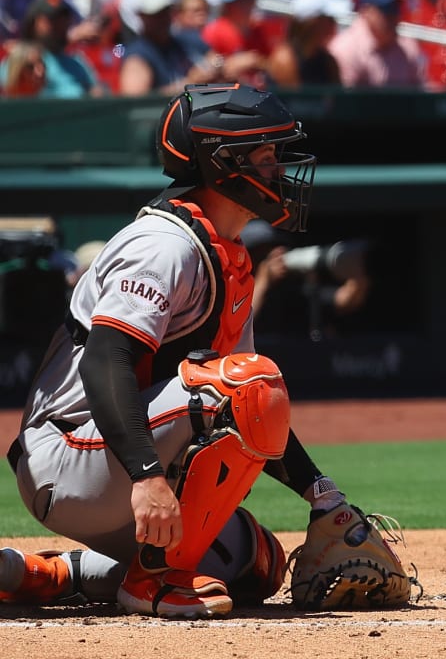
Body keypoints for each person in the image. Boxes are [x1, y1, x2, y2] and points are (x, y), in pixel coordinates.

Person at [0, 84, 380, 618]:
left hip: (117, 460)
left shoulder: (227, 253)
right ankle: (153, 580)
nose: (281, 170)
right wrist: (148, 477)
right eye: (268, 157)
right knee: (248, 382)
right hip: (69, 455)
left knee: (258, 565)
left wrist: (324, 498)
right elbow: (105, 360)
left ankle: (51, 574)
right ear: (223, 164)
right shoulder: (165, 245)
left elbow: (256, 412)